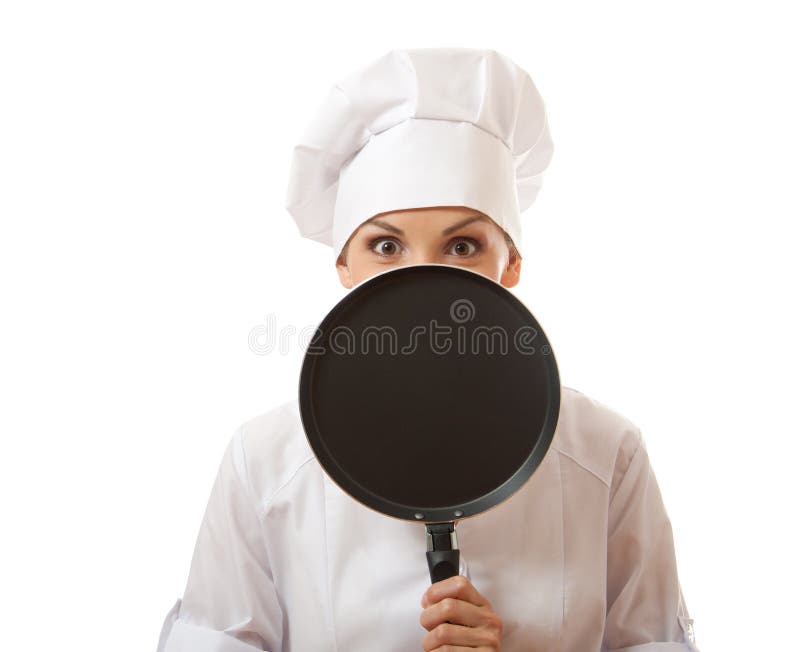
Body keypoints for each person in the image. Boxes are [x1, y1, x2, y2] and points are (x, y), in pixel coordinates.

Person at [157, 47, 699, 651]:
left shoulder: (605, 454)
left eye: (463, 246)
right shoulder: (266, 462)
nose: (423, 281)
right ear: (344, 264)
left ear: (511, 262)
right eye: (385, 247)